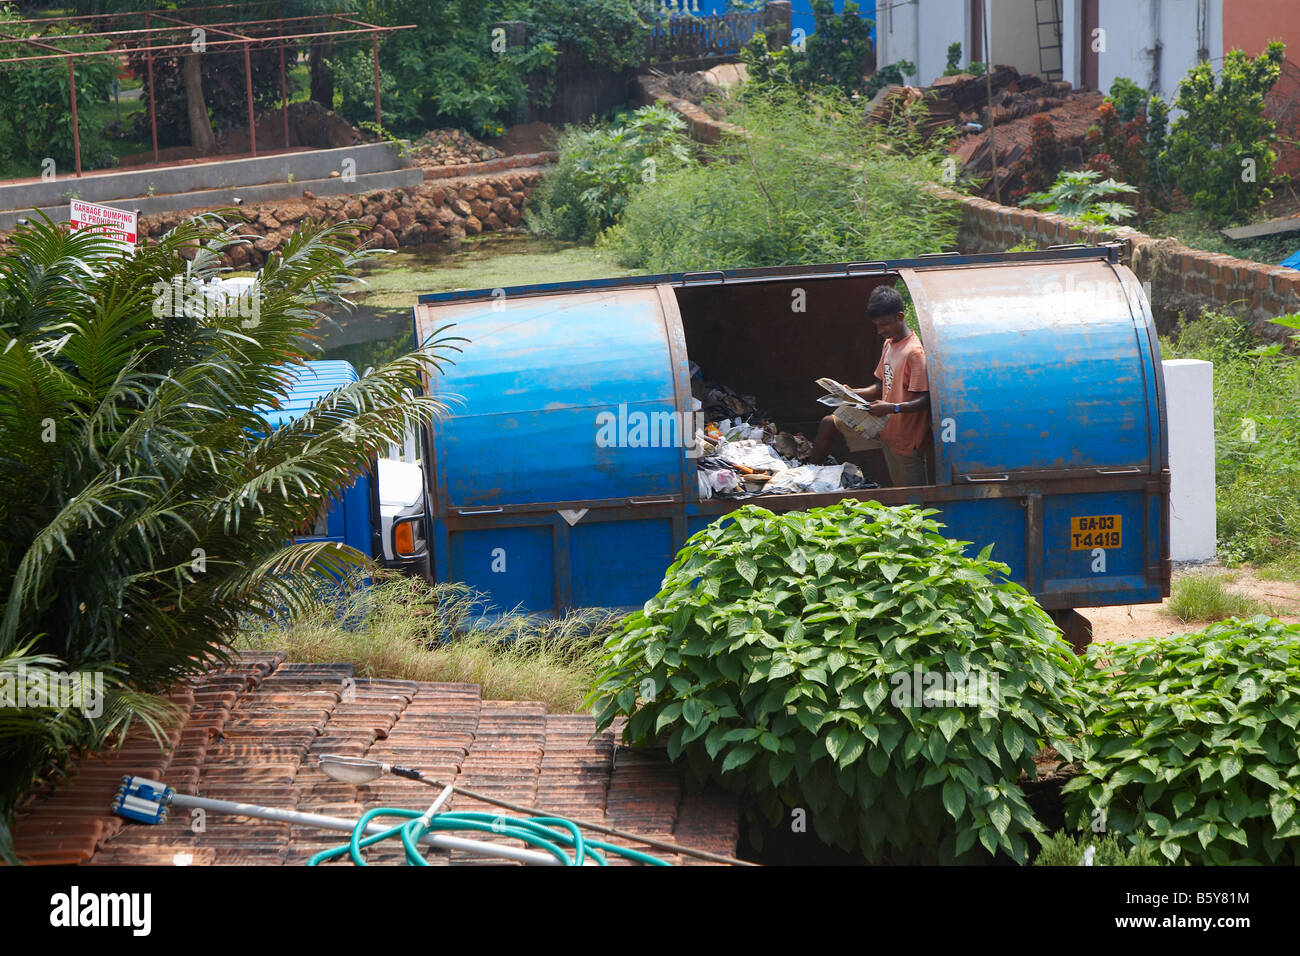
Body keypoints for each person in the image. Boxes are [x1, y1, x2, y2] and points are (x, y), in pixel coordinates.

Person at [809, 285, 932, 486]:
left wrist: (893, 407)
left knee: (913, 499)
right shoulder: (890, 344)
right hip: (885, 429)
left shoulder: (914, 353)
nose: (879, 331)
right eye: (876, 325)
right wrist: (851, 392)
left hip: (906, 439)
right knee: (829, 423)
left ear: (900, 316)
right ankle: (808, 478)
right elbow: (881, 385)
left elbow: (925, 398)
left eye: (884, 325)